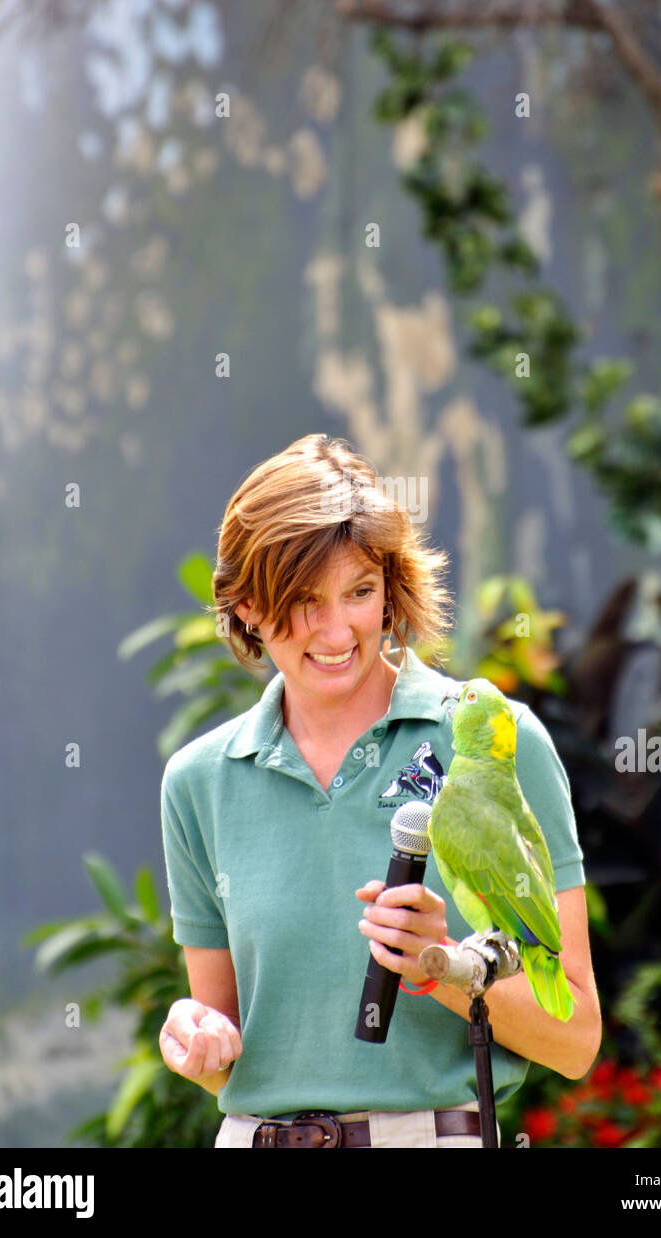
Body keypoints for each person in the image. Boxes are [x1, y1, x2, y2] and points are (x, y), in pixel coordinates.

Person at [158, 433, 601, 1148]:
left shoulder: (489, 740)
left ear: (391, 590)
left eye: (360, 592)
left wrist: (443, 966)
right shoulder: (199, 781)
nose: (337, 631)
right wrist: (194, 1038)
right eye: (302, 601)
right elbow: (229, 1053)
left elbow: (575, 1040)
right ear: (244, 606)